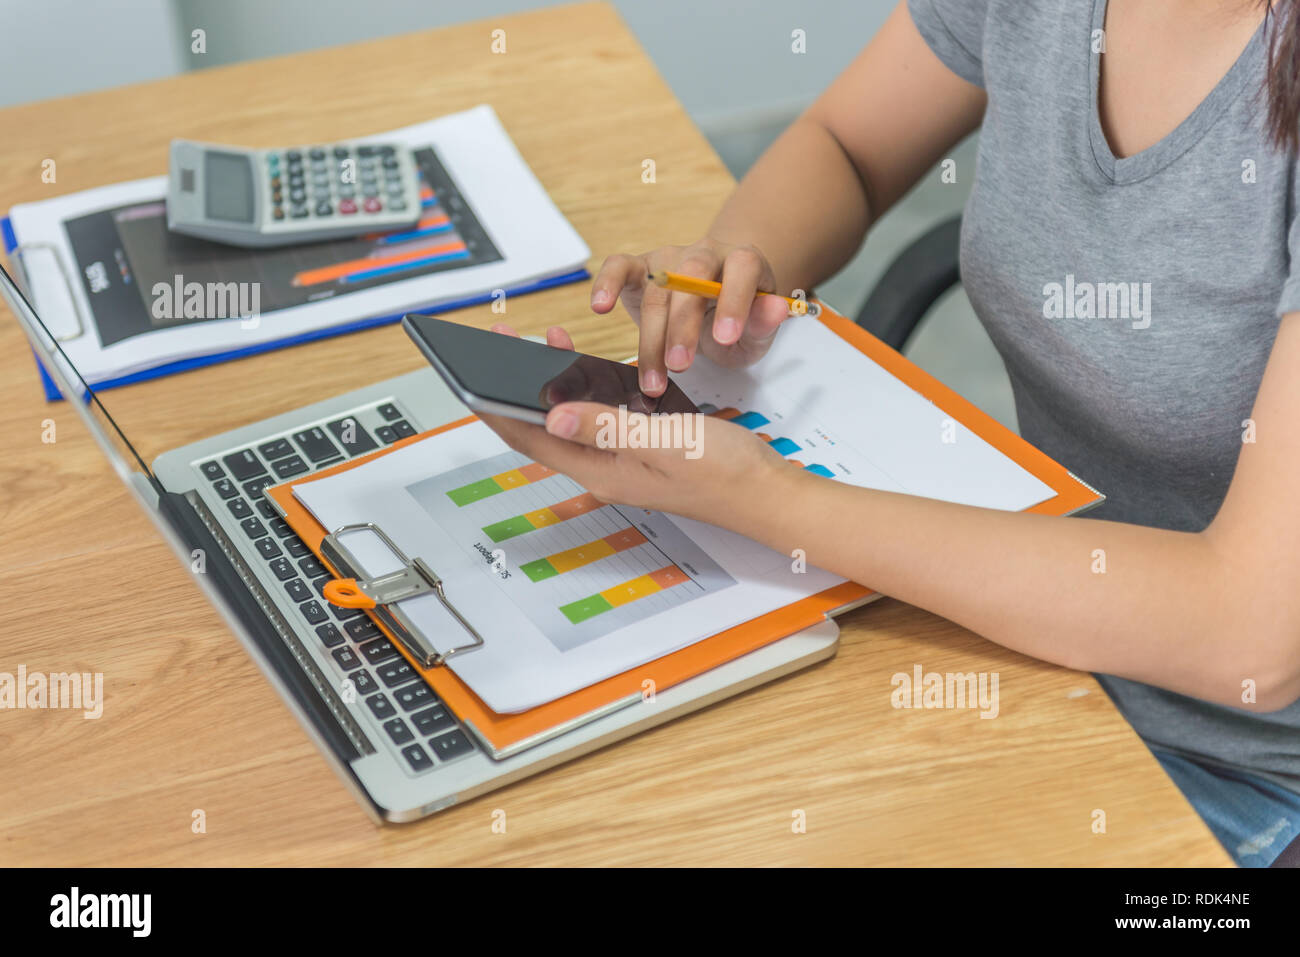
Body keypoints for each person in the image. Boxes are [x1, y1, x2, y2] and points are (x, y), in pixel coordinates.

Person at [481, 0, 1300, 866]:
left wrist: (775, 502)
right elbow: (847, 145)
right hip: (1048, 655)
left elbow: (1248, 632)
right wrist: (729, 267)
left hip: (1252, 781)